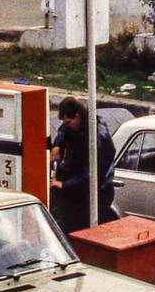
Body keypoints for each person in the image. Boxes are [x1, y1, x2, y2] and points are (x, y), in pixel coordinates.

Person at [48, 96, 116, 235]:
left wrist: (64, 184)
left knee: (83, 231)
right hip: (77, 189)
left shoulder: (96, 139)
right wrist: (57, 146)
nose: (67, 125)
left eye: (68, 121)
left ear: (77, 116)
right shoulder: (75, 126)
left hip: (96, 193)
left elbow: (92, 173)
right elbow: (63, 130)